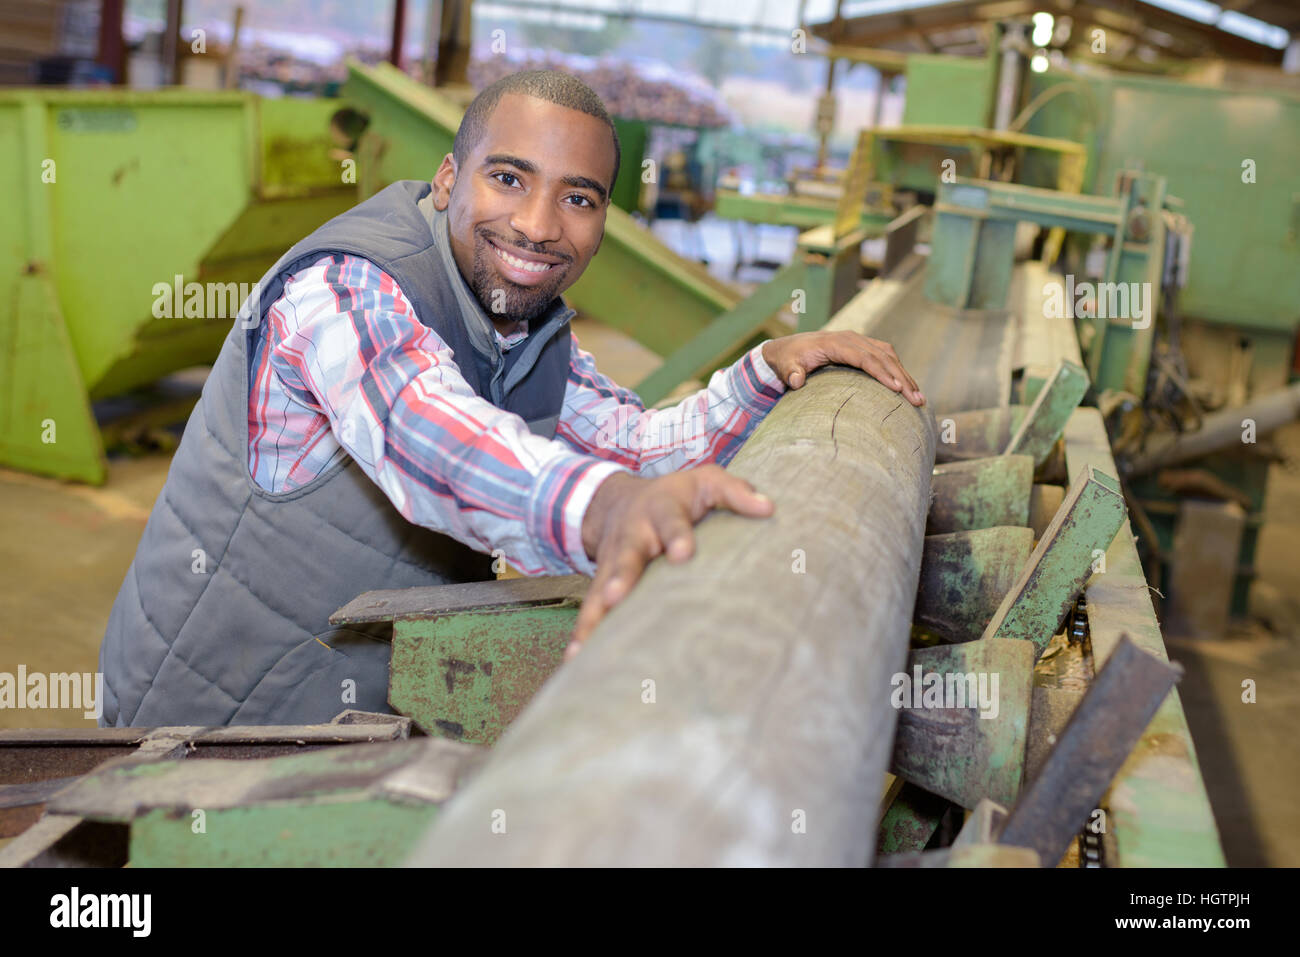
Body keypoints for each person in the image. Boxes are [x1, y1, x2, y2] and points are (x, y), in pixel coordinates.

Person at [98, 70, 923, 727]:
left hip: (335, 731)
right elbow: (423, 430)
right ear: (450, 176)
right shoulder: (345, 288)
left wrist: (768, 370)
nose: (537, 225)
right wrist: (602, 508)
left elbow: (633, 444)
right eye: (508, 178)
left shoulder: (518, 328)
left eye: (578, 198)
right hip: (192, 727)